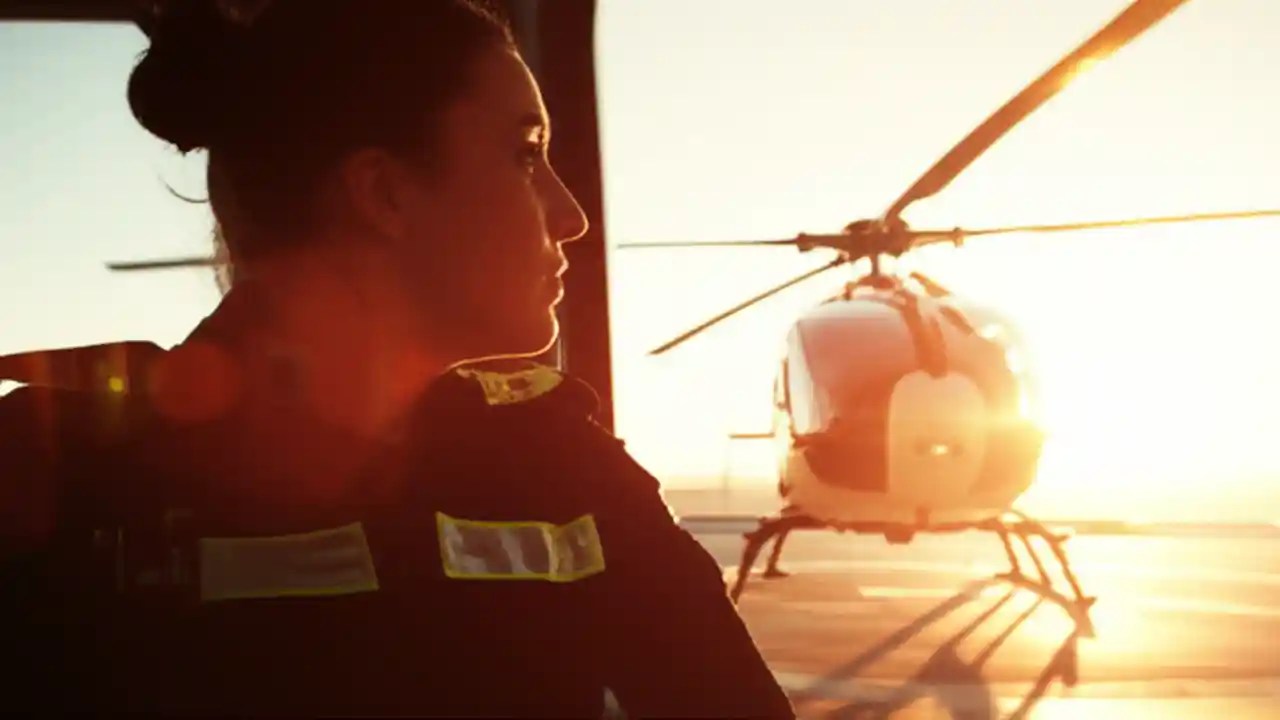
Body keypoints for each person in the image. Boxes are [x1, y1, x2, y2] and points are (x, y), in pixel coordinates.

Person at [0, 1, 796, 716]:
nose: (572, 215)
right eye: (525, 155)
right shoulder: (43, 472)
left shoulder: (574, 469)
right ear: (384, 194)